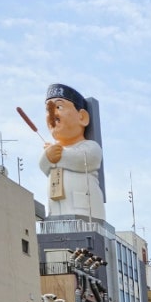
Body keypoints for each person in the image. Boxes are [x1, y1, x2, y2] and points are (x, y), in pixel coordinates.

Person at [38, 83, 105, 221]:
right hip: (57, 214)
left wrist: (59, 156)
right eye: (48, 109)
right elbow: (43, 166)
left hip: (86, 213)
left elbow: (85, 159)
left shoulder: (90, 146)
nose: (52, 114)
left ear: (82, 117)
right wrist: (48, 157)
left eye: (58, 107)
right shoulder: (51, 150)